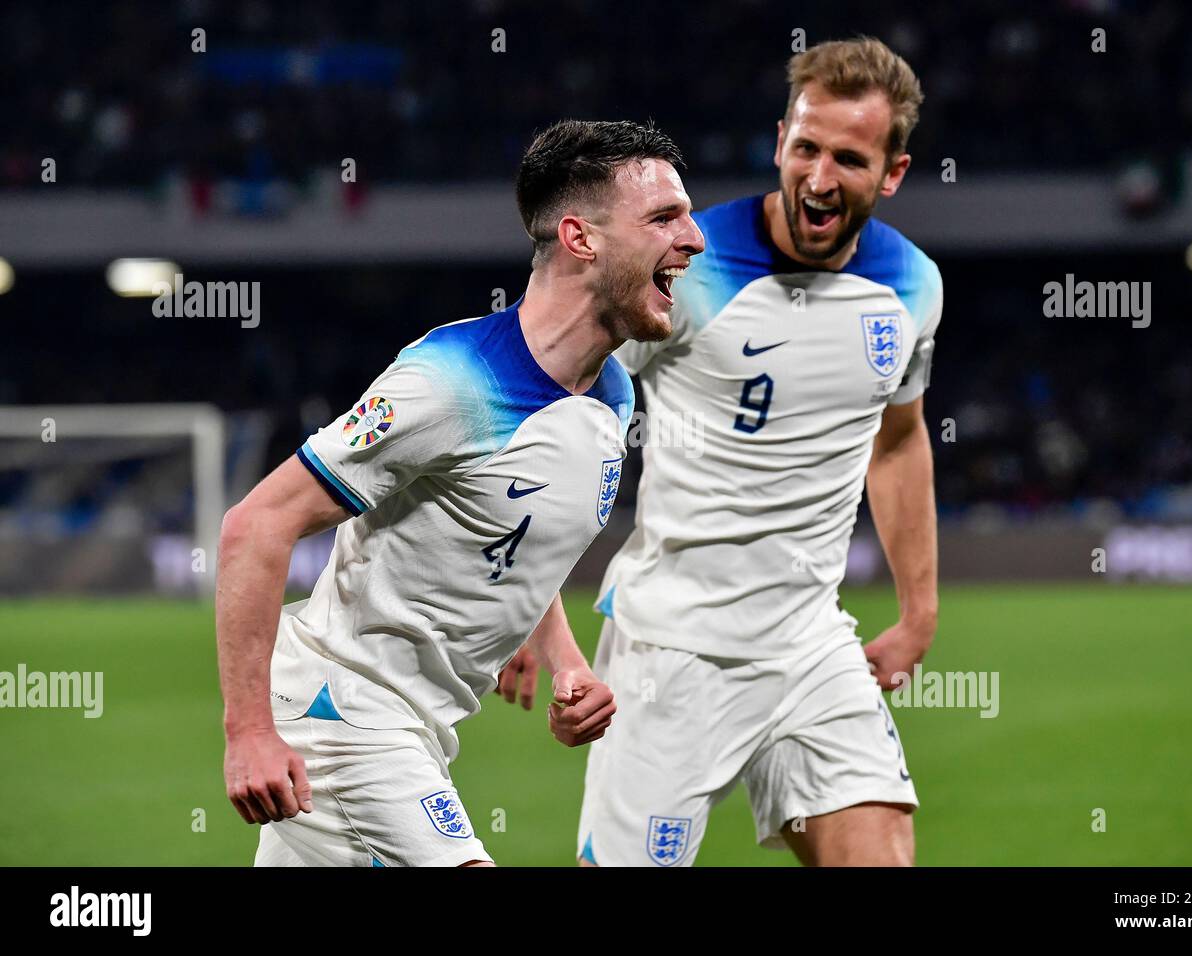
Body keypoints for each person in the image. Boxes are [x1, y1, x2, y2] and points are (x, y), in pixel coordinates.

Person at [216, 118, 705, 867]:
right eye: (665, 217)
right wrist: (248, 733)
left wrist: (566, 661)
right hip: (345, 713)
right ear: (581, 238)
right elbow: (256, 527)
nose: (695, 239)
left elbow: (511, 530)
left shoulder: (612, 395)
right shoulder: (447, 384)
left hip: (418, 727)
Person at [513, 36, 942, 867]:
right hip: (672, 653)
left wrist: (919, 614)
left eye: (849, 159)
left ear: (892, 174)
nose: (819, 178)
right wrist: (527, 618)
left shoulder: (912, 286)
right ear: (781, 138)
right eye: (806, 148)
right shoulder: (683, 262)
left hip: (812, 644)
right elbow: (543, 411)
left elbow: (897, 441)